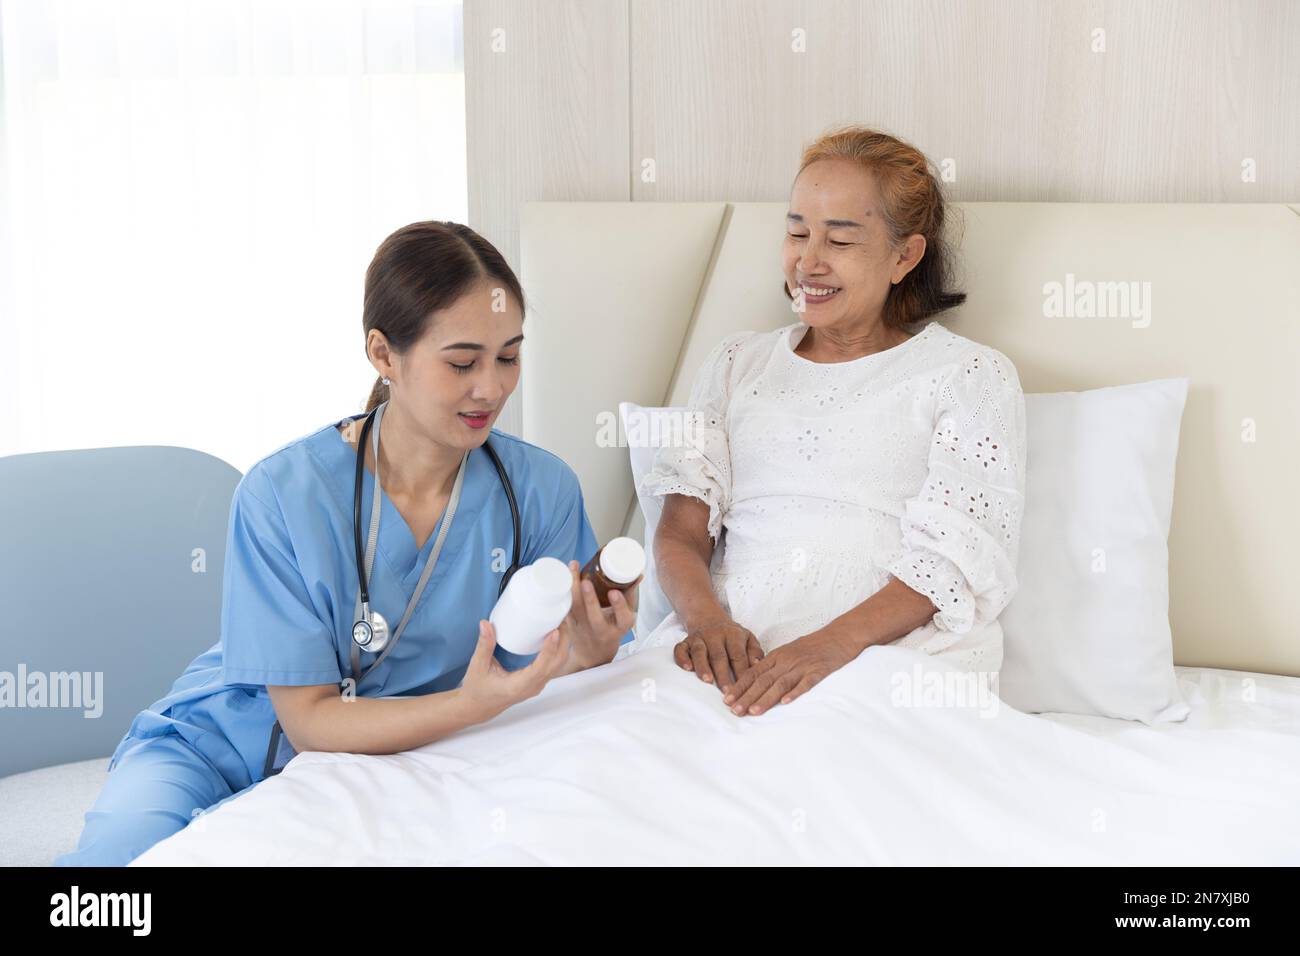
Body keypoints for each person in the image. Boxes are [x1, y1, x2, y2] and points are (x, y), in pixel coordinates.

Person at [56, 221, 637, 866]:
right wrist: (467, 706)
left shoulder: (540, 490)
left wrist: (587, 651)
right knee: (111, 878)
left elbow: (543, 669)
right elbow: (310, 721)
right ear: (385, 355)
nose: (493, 388)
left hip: (400, 763)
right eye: (462, 362)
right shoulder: (283, 492)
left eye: (509, 356)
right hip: (221, 742)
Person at [636, 126, 1027, 717]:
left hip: (889, 663)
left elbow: (954, 561)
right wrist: (708, 624)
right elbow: (681, 532)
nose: (808, 261)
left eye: (839, 240)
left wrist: (825, 650)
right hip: (727, 656)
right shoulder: (736, 364)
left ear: (905, 255)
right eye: (797, 232)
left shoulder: (969, 375)